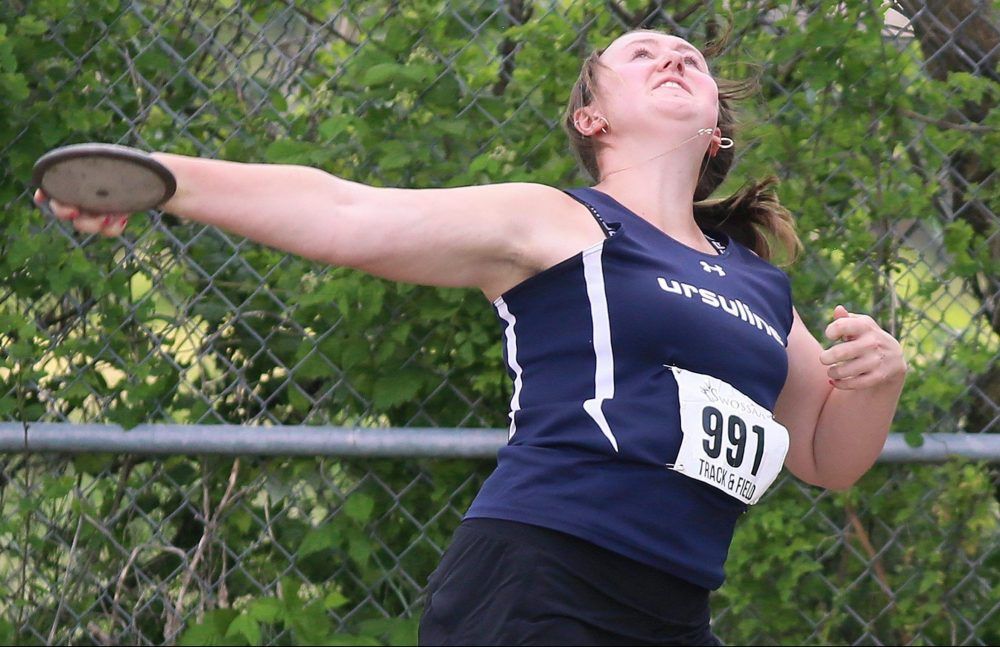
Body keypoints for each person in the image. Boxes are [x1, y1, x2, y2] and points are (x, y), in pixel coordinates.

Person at [34, 28, 906, 646]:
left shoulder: (755, 279)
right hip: (541, 584)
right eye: (639, 54)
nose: (673, 55)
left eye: (690, 56)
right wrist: (161, 181)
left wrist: (880, 380)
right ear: (591, 120)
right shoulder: (558, 221)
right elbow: (346, 210)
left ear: (717, 124)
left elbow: (827, 456)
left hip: (678, 610)